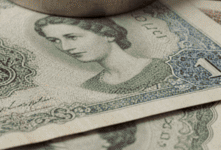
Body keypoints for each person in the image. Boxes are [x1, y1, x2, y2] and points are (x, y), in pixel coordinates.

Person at [34, 15, 172, 93]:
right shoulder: (90, 87)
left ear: (108, 34)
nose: (65, 47)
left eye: (72, 37)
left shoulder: (161, 68)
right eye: (54, 40)